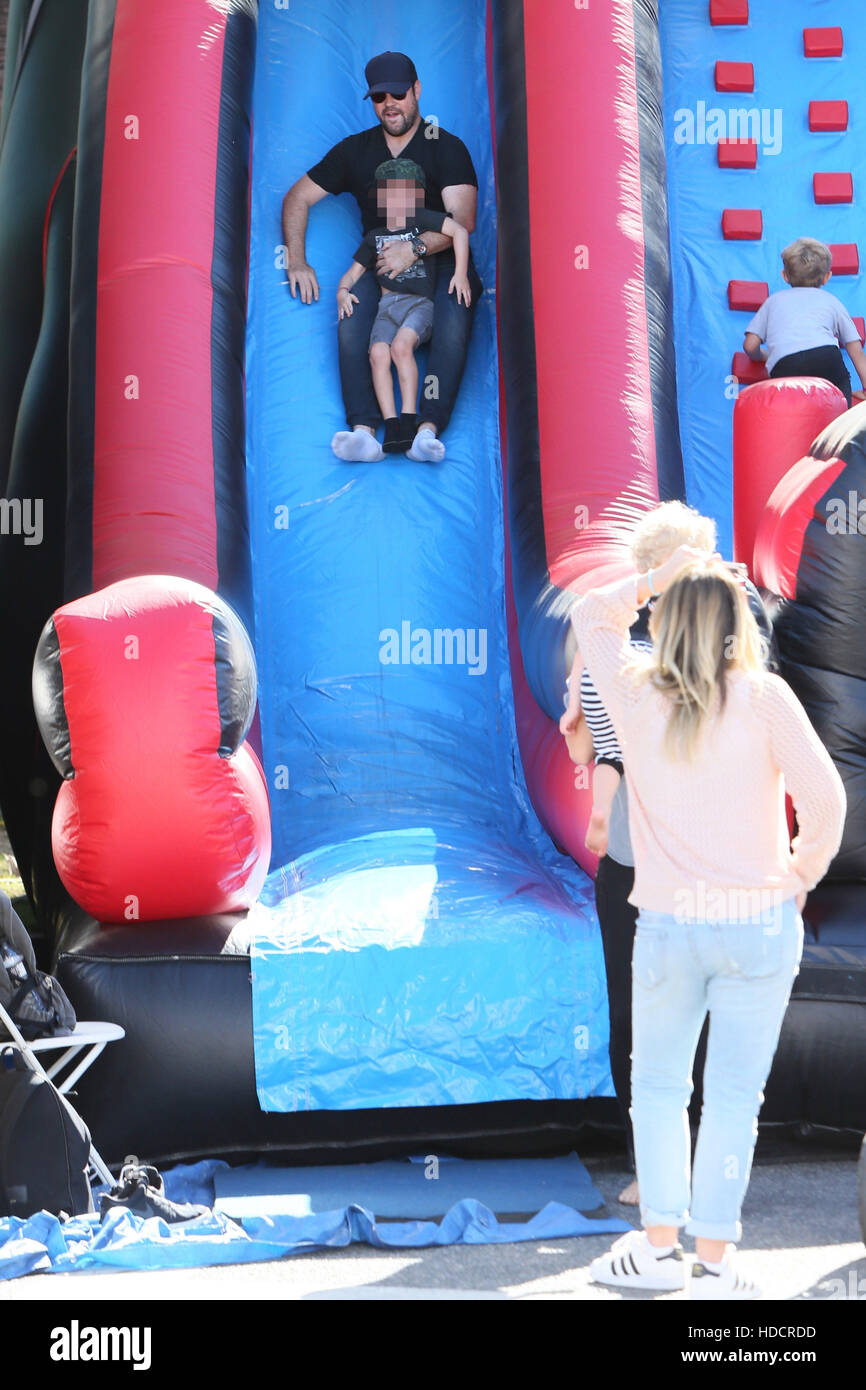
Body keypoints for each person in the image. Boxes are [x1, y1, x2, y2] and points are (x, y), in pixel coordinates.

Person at [568, 545, 846, 1299]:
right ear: (736, 626)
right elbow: (828, 805)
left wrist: (664, 572)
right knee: (732, 1099)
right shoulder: (764, 697)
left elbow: (591, 611)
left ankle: (661, 1248)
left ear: (663, 623)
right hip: (757, 924)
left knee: (657, 1089)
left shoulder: (633, 697)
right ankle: (717, 1263)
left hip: (669, 925)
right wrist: (798, 873)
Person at [561, 503, 774, 1208]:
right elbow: (602, 735)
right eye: (687, 570)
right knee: (640, 1014)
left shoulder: (731, 650)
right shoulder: (624, 663)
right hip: (638, 863)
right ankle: (656, 1162)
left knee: (711, 1010)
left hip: (706, 865)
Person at [282, 50, 481, 463]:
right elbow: (297, 197)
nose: (389, 103)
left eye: (398, 93)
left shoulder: (446, 147)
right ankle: (365, 431)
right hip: (383, 262)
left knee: (454, 319)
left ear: (416, 91)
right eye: (379, 97)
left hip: (439, 261)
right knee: (352, 322)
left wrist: (416, 248)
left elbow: (463, 220)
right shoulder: (356, 151)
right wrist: (297, 261)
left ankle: (426, 429)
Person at [338, 159, 470, 455]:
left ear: (416, 197)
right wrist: (342, 292)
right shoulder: (374, 236)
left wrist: (460, 273)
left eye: (406, 193)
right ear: (381, 198)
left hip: (418, 304)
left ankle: (410, 421)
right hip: (387, 306)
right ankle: (391, 426)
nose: (398, 200)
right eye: (389, 193)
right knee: (378, 353)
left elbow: (459, 231)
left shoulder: (422, 221)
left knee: (400, 347)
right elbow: (353, 271)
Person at [743, 236, 866, 407]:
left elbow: (750, 345)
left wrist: (763, 356)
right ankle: (840, 419)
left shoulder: (773, 301)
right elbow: (855, 349)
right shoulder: (832, 301)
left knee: (790, 405)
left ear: (784, 276)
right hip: (825, 357)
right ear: (827, 277)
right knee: (839, 393)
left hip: (785, 364)